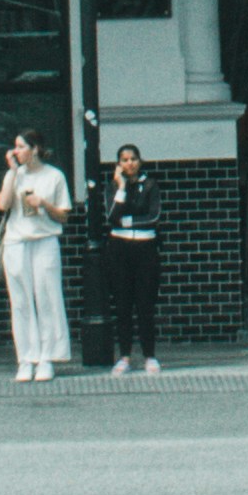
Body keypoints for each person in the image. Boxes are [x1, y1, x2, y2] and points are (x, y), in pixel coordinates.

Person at [0, 131, 74, 380]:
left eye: (21, 146)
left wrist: (44, 204)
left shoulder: (54, 176)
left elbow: (63, 215)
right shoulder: (14, 175)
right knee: (20, 301)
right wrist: (13, 173)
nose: (16, 151)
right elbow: (3, 205)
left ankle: (46, 358)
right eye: (15, 147)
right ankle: (26, 358)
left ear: (35, 149)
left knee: (47, 297)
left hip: (44, 240)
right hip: (16, 242)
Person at [93, 144, 164, 369]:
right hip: (119, 250)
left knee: (145, 304)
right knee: (122, 304)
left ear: (140, 161)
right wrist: (122, 188)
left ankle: (149, 355)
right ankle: (124, 356)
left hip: (145, 249)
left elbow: (153, 216)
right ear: (118, 164)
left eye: (133, 159)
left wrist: (127, 221)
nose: (129, 163)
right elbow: (112, 216)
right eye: (124, 159)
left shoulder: (151, 185)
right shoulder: (113, 187)